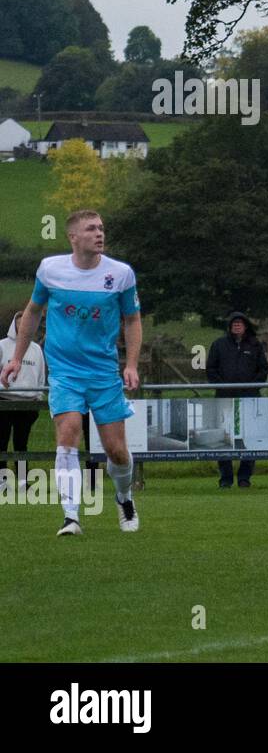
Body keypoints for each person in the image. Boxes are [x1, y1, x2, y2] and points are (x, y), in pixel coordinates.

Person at [0, 209, 141, 536]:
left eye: (102, 228)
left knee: (115, 450)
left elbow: (132, 320)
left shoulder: (120, 274)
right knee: (68, 434)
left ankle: (124, 497)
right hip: (64, 371)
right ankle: (71, 516)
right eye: (91, 229)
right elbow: (33, 311)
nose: (100, 233)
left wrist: (130, 364)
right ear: (73, 237)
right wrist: (17, 358)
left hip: (104, 372)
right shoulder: (51, 269)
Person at [206, 311, 268, 488]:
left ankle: (244, 477)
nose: (237, 325)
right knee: (223, 438)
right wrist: (223, 387)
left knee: (249, 438)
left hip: (249, 399)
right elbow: (211, 369)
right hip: (224, 399)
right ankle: (225, 478)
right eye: (234, 323)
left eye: (240, 323)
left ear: (246, 326)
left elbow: (263, 370)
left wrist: (252, 387)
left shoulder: (255, 345)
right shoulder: (218, 345)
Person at [0, 313, 46, 491]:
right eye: (20, 323)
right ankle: (2, 481)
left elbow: (41, 375)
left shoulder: (36, 349)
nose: (23, 327)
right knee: (2, 442)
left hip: (28, 404)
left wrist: (38, 396)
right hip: (5, 401)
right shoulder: (2, 346)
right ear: (15, 325)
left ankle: (22, 482)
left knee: (22, 444)